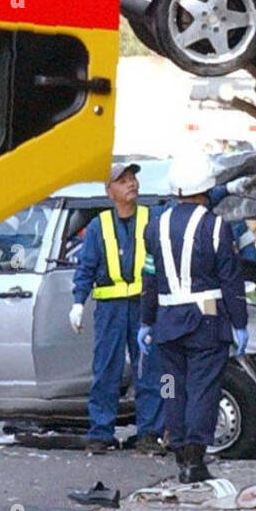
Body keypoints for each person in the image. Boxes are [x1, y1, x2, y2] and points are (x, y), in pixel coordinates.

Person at [137, 152, 248, 484]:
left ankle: (180, 453)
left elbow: (150, 277)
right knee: (202, 388)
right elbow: (231, 279)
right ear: (206, 188)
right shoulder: (215, 227)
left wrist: (147, 320)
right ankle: (196, 461)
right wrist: (240, 323)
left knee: (172, 387)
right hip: (206, 322)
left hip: (167, 322)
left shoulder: (155, 226)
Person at [71, 162, 164, 454]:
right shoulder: (100, 226)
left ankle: (150, 433)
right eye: (123, 181)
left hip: (144, 306)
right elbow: (86, 267)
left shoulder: (152, 218)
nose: (132, 184)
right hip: (110, 307)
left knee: (150, 369)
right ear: (109, 191)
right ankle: (101, 432)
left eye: (133, 178)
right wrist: (77, 301)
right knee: (105, 370)